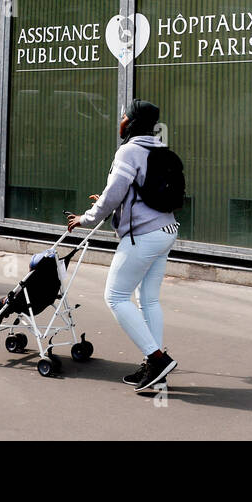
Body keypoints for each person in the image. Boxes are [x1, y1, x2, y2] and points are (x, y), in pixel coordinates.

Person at [67, 99, 179, 393]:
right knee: (149, 299)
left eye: (123, 116)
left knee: (115, 296)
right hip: (166, 230)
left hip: (143, 235)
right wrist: (110, 203)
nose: (120, 120)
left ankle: (158, 359)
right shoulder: (160, 148)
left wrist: (87, 218)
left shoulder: (129, 151)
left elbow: (115, 191)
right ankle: (155, 369)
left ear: (131, 121)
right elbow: (135, 192)